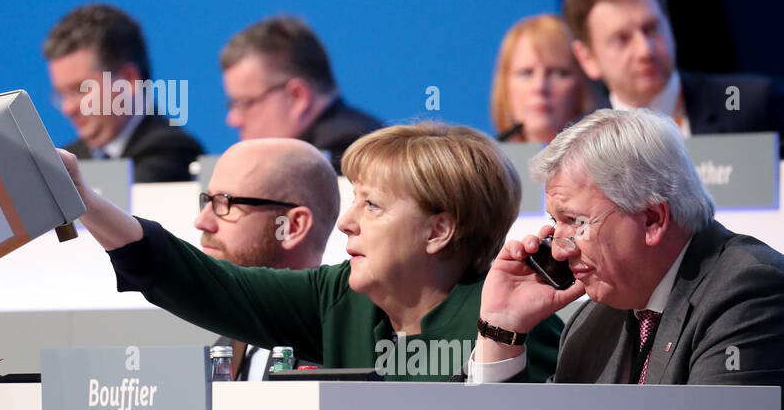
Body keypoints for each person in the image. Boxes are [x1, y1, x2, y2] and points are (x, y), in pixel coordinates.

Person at [60, 122, 563, 382]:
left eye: (372, 206)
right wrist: (83, 200)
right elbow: (195, 280)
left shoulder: (512, 318)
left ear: (439, 231)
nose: (346, 222)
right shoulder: (338, 297)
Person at [470, 108, 784, 385]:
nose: (557, 250)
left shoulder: (747, 293)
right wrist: (501, 329)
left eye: (576, 221)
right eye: (556, 221)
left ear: (651, 220)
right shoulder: (591, 322)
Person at [562, 0, 784, 152]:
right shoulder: (578, 146)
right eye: (622, 39)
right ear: (587, 58)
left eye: (652, 29)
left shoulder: (752, 105)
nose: (645, 51)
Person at [195, 139, 340, 379]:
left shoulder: (344, 350)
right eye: (208, 201)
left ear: (292, 226)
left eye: (225, 203)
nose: (202, 222)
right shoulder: (224, 348)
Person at [44, 3, 204, 182]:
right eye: (61, 94)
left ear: (128, 79)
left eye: (80, 90)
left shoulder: (172, 150)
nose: (68, 108)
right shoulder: (67, 160)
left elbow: (115, 208)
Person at [220, 15, 381, 171]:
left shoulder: (347, 151)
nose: (233, 120)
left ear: (297, 96)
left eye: (245, 103)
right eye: (232, 105)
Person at [489, 14, 592, 143]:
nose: (540, 86)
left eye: (558, 73)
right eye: (526, 73)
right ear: (505, 86)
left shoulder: (614, 158)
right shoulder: (485, 161)